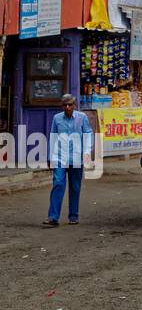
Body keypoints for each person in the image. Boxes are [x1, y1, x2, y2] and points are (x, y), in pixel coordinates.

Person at [44, 94, 94, 227]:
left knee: (75, 187)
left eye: (70, 105)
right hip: (59, 157)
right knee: (58, 184)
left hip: (77, 157)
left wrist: (87, 152)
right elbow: (53, 137)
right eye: (65, 105)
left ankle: (73, 215)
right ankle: (53, 217)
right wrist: (50, 157)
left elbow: (88, 134)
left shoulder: (81, 118)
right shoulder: (57, 118)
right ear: (62, 106)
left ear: (74, 105)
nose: (67, 107)